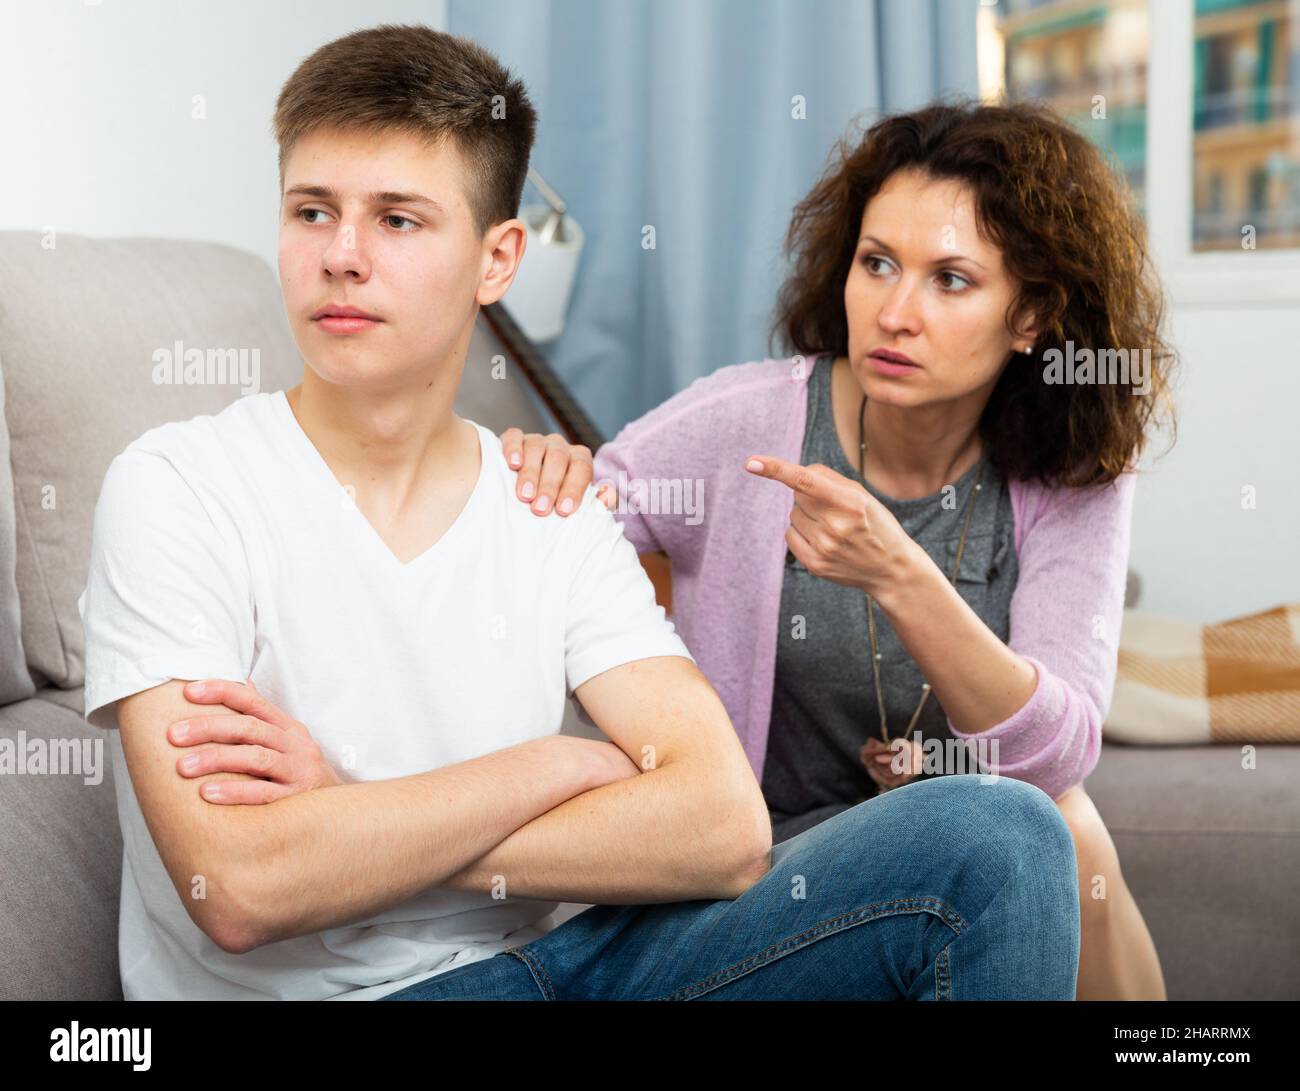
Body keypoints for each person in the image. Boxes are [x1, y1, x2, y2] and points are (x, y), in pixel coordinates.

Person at [80, 25, 1080, 1001]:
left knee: (1003, 836)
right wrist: (556, 767)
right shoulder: (178, 489)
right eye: (311, 211)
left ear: (498, 259)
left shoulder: (545, 502)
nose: (341, 255)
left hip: (557, 965)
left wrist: (347, 813)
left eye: (397, 219)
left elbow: (722, 826)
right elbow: (239, 885)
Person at [501, 100, 1174, 1001]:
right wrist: (546, 473)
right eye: (877, 263)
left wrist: (899, 573)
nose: (895, 312)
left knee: (1066, 822)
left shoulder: (1074, 470)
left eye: (951, 280)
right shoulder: (746, 423)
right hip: (760, 870)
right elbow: (556, 534)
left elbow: (1058, 752)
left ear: (1032, 316)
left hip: (960, 850)